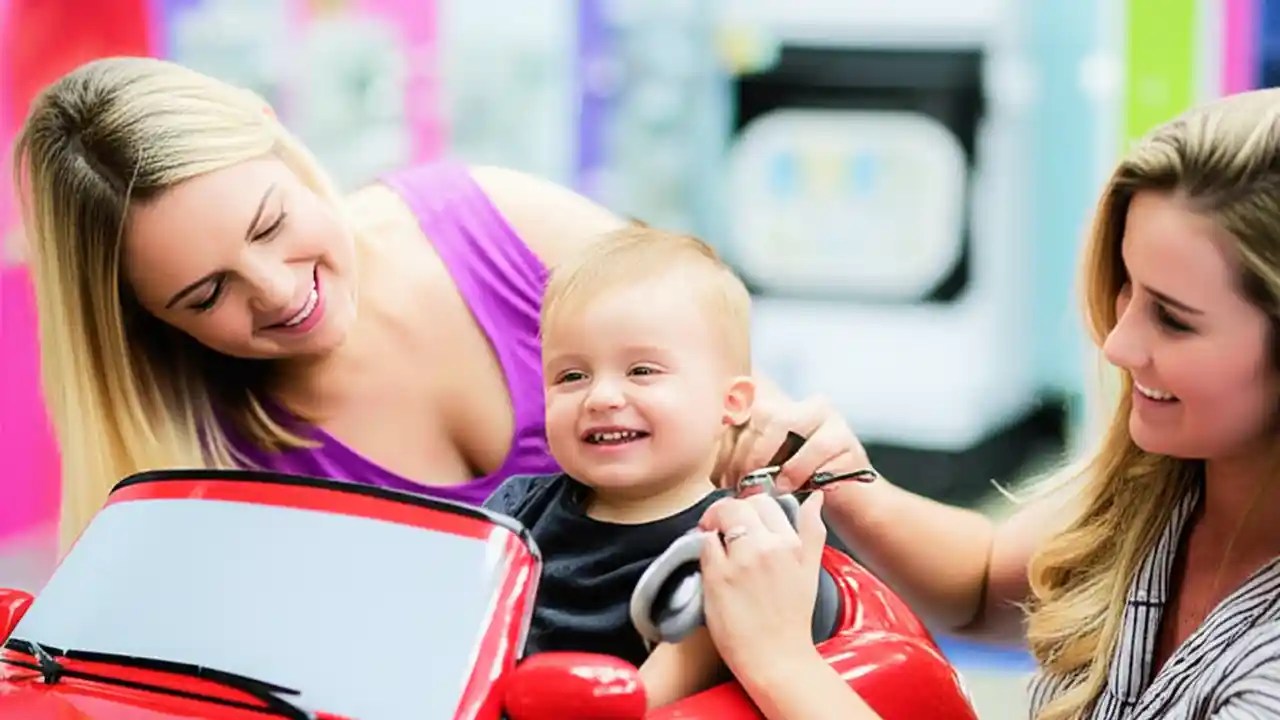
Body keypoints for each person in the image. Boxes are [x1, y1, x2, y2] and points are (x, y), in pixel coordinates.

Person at [12, 55, 860, 553]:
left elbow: (727, 390)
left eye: (269, 224)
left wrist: (778, 438)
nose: (277, 292)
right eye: (205, 295)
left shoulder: (508, 228)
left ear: (275, 132)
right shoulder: (202, 463)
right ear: (147, 319)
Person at [697, 88, 1280, 720]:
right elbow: (982, 587)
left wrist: (779, 660)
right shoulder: (1172, 486)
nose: (1118, 343)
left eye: (1173, 319)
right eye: (1128, 289)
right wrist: (836, 474)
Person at [483, 226, 752, 708]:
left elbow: (648, 699)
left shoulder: (733, 544)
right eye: (571, 376)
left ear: (729, 402)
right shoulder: (514, 509)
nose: (601, 397)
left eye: (642, 371)